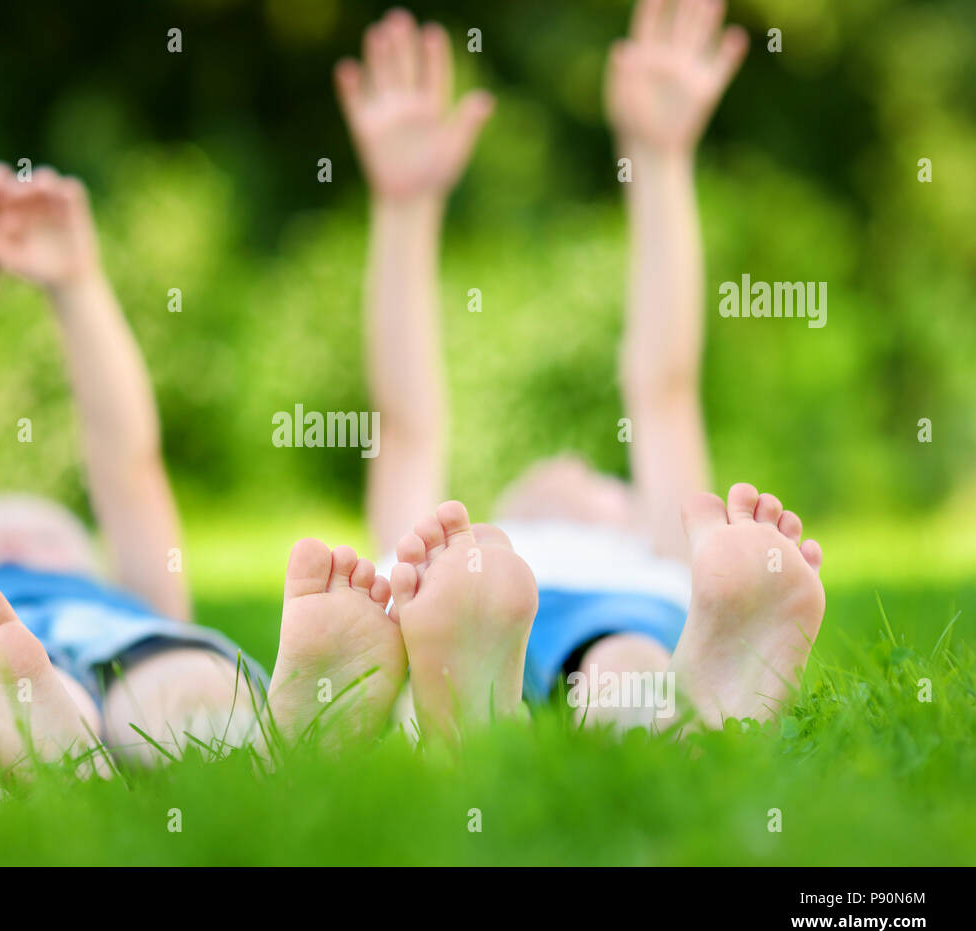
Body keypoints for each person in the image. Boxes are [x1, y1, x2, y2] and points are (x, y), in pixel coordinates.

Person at [337, 2, 826, 728]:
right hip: (466, 609)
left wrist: (660, 160)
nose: (572, 470)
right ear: (495, 516)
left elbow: (664, 386)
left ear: (628, 517)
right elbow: (404, 423)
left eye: (602, 483)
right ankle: (610, 717)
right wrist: (403, 209)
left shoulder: (653, 550)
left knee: (623, 656)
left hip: (619, 613)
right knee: (453, 617)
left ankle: (682, 699)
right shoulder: (445, 559)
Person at [0, 162, 264, 772]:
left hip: (126, 648)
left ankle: (228, 729)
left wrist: (77, 282)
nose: (10, 543)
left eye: (44, 541)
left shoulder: (127, 604)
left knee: (183, 685)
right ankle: (38, 734)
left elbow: (131, 467)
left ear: (100, 568)